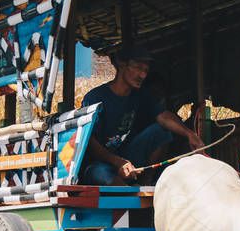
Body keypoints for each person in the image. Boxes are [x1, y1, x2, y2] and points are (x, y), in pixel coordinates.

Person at [81, 45, 204, 185]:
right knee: (104, 176)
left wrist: (190, 134)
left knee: (161, 131)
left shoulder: (141, 95)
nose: (143, 75)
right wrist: (118, 162)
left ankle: (146, 183)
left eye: (146, 70)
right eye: (138, 67)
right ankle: (128, 198)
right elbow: (89, 142)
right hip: (100, 164)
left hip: (129, 160)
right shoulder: (95, 97)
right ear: (122, 64)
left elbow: (163, 116)